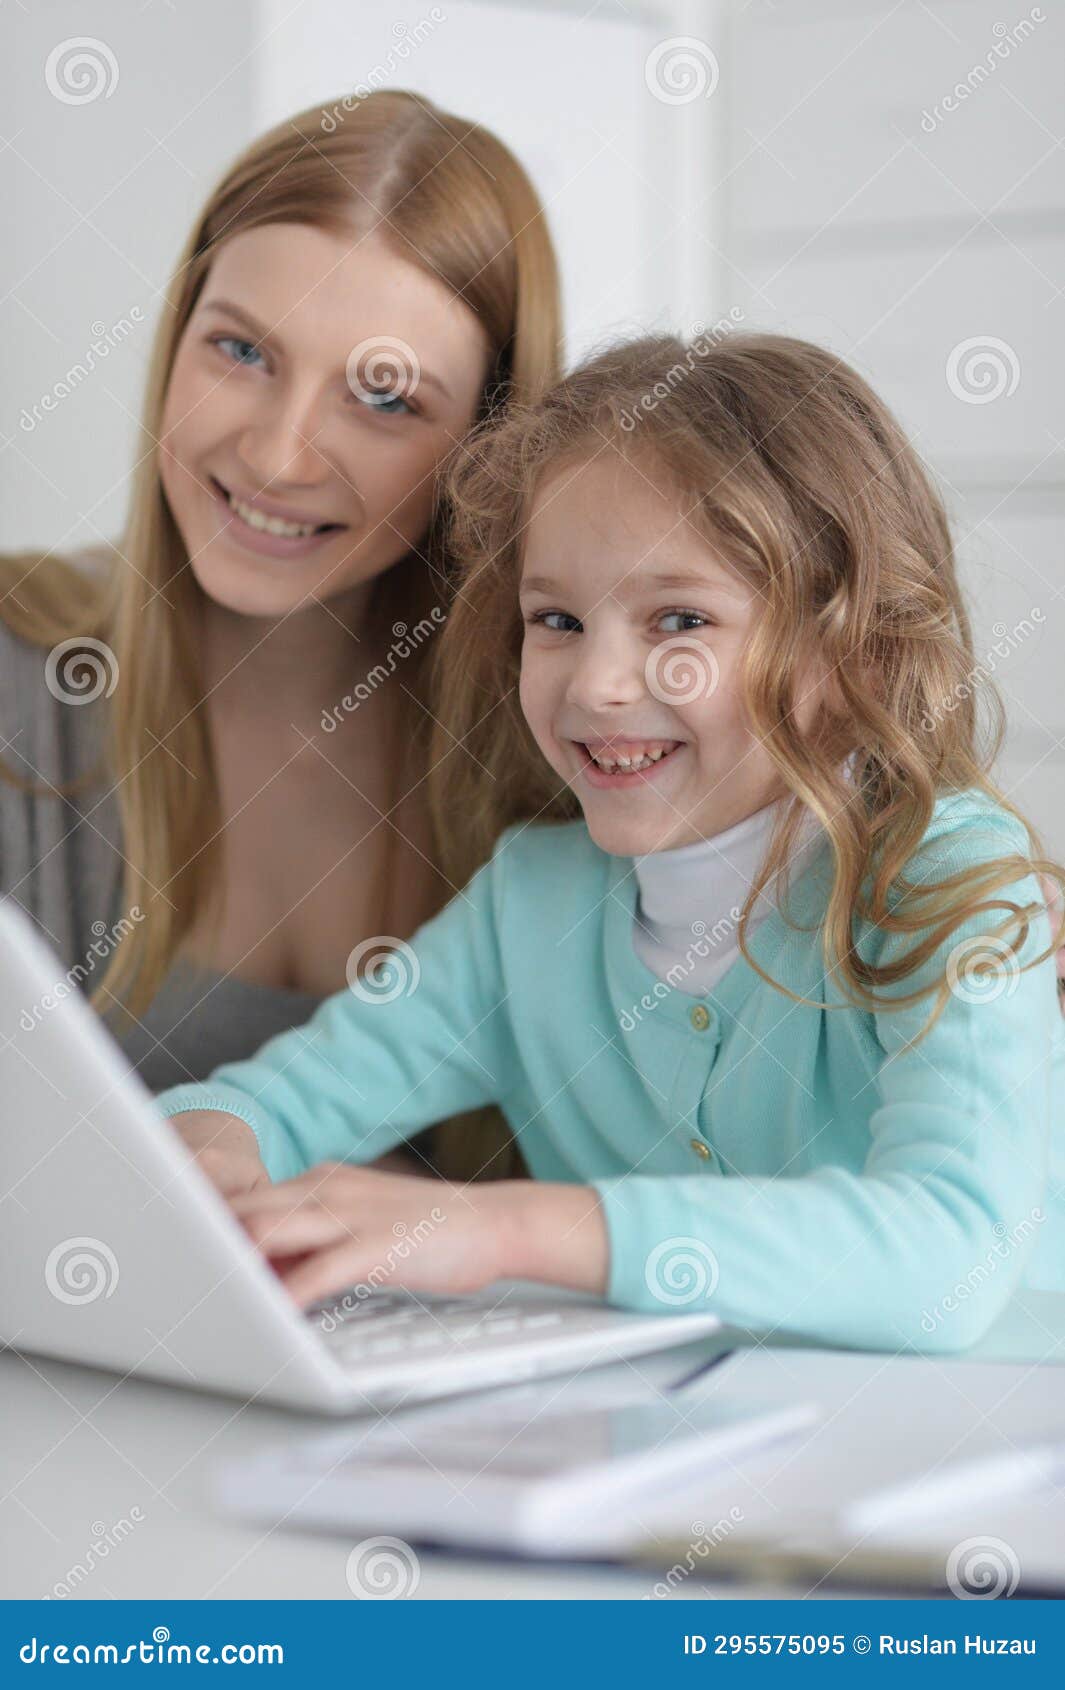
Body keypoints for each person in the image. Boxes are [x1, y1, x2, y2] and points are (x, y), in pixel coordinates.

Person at [156, 332, 1065, 1352]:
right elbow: (274, 1105)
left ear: (849, 649)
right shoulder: (528, 909)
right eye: (557, 620)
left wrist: (512, 1230)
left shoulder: (952, 880)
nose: (595, 686)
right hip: (682, 1436)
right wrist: (210, 1154)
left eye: (679, 620)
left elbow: (953, 1251)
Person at [0, 91, 560, 1179]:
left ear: (489, 449)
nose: (278, 456)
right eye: (241, 351)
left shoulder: (569, 742)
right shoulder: (22, 675)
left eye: (385, 399)